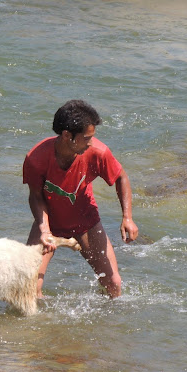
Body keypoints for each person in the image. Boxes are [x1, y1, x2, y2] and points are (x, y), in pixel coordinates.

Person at [23, 99, 138, 299]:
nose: (90, 143)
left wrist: (127, 217)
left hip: (86, 222)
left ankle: (101, 318)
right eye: (86, 138)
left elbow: (121, 177)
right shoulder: (36, 158)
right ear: (67, 135)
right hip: (50, 223)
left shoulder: (98, 152)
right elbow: (35, 196)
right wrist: (44, 230)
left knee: (113, 285)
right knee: (28, 286)